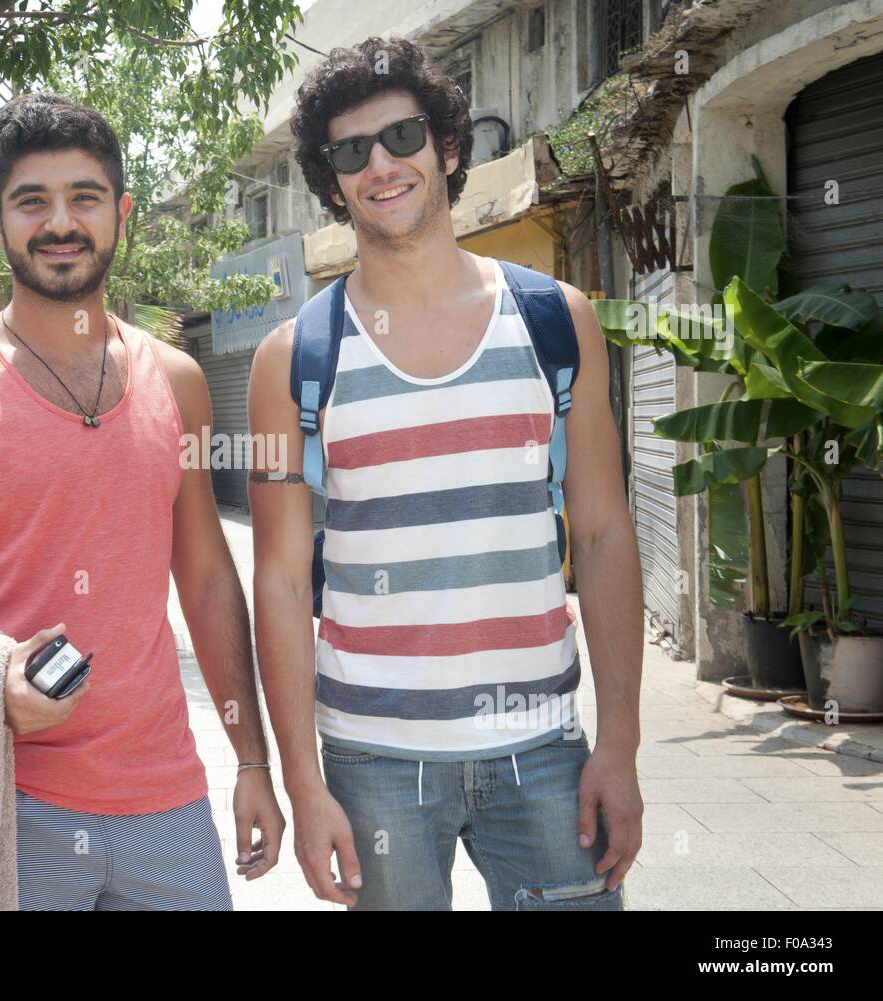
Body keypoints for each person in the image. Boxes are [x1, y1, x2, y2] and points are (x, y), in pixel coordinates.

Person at [0, 93, 284, 910]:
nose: (60, 222)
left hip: (165, 799)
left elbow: (207, 576)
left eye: (85, 197)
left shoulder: (177, 381)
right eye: (33, 201)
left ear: (122, 215)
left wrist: (251, 760)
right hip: (6, 801)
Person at [247, 37, 644, 911]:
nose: (380, 165)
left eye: (402, 136)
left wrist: (620, 742)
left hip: (543, 749)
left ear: (450, 147)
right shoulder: (293, 360)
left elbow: (607, 533)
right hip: (372, 761)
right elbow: (277, 578)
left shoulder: (555, 321)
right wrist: (304, 786)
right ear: (331, 180)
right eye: (351, 152)